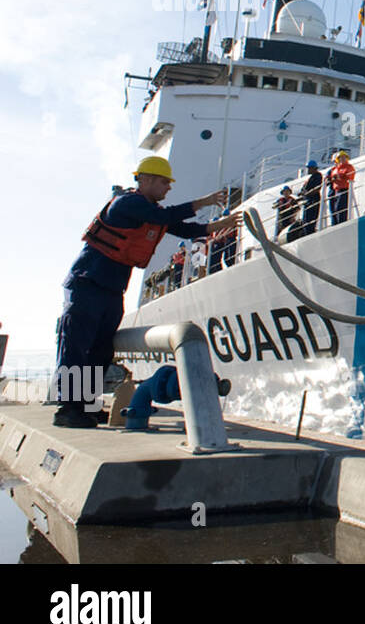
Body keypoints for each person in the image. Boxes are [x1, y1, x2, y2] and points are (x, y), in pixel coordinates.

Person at [55, 157, 235, 428]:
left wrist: (217, 227)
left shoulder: (150, 210)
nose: (168, 188)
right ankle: (68, 409)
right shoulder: (127, 204)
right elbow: (165, 217)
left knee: (101, 350)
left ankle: (88, 407)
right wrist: (205, 201)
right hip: (87, 283)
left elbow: (181, 228)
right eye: (164, 182)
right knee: (77, 346)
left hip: (111, 289)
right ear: (146, 179)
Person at [327, 150, 355, 225]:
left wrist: (338, 177)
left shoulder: (349, 167)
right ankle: (336, 224)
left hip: (344, 189)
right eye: (340, 158)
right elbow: (330, 178)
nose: (342, 159)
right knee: (335, 209)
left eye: (344, 157)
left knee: (341, 208)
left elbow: (348, 176)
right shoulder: (335, 169)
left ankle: (341, 224)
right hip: (337, 191)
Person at [299, 159, 322, 235]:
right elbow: (305, 189)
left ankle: (310, 234)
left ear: (314, 168)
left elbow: (317, 188)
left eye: (309, 168)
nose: (308, 170)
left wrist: (307, 193)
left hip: (313, 200)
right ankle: (306, 234)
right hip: (308, 200)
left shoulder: (318, 176)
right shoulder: (310, 178)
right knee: (306, 219)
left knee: (311, 219)